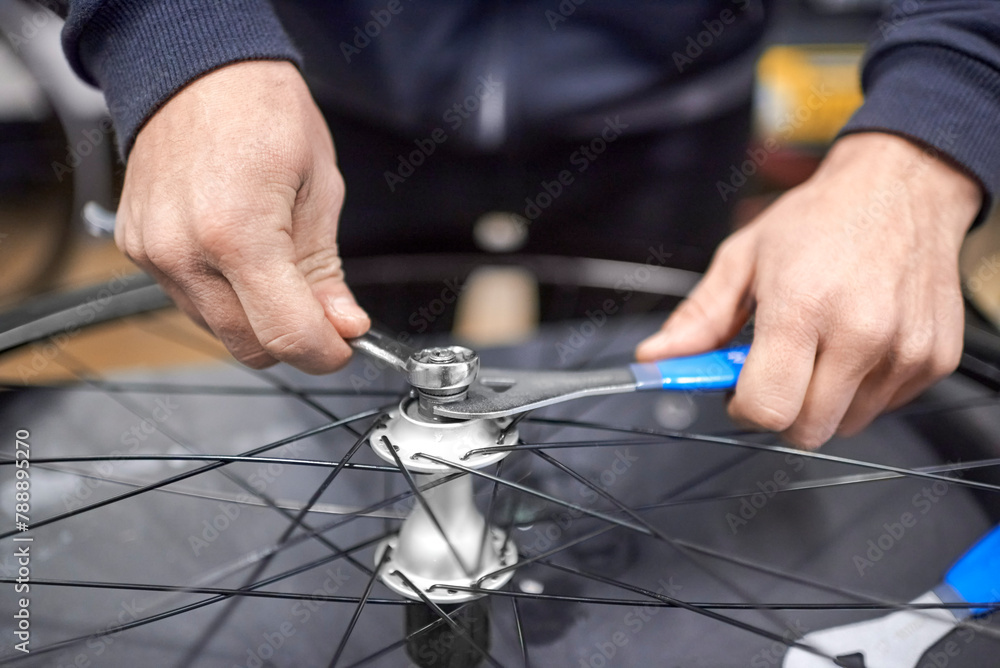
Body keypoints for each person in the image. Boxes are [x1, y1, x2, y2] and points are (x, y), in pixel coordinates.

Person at [51, 0, 998, 449]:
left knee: (646, 434)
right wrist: (169, 37)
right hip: (326, 111)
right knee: (348, 424)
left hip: (668, 116)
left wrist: (932, 131)